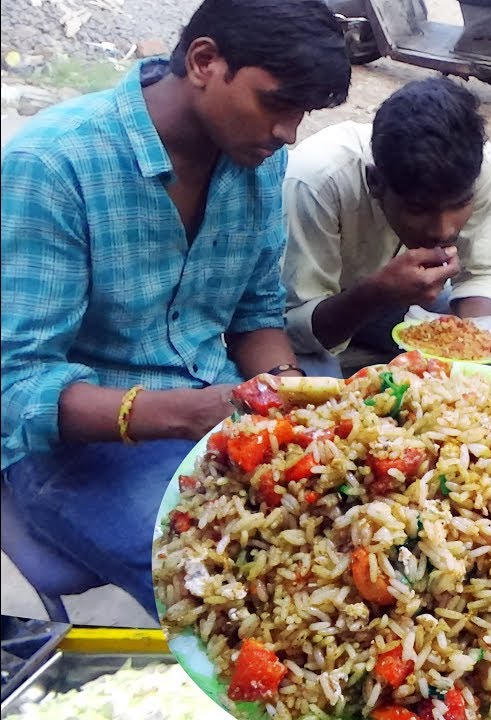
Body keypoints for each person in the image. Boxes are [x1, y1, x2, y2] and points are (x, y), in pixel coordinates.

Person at [0, 0, 350, 617]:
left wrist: (285, 388)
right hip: (73, 446)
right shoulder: (53, 167)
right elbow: (16, 385)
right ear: (204, 61)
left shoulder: (258, 166)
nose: (288, 133)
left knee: (354, 535)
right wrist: (181, 414)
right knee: (237, 594)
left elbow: (256, 312)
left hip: (212, 413)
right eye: (276, 103)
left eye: (303, 113)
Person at [282, 78, 491, 380]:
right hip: (326, 317)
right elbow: (297, 324)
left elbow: (483, 272)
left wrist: (472, 350)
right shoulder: (317, 181)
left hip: (407, 302)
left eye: (459, 204)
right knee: (322, 392)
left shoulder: (479, 167)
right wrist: (375, 293)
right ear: (376, 184)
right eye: (419, 209)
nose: (444, 230)